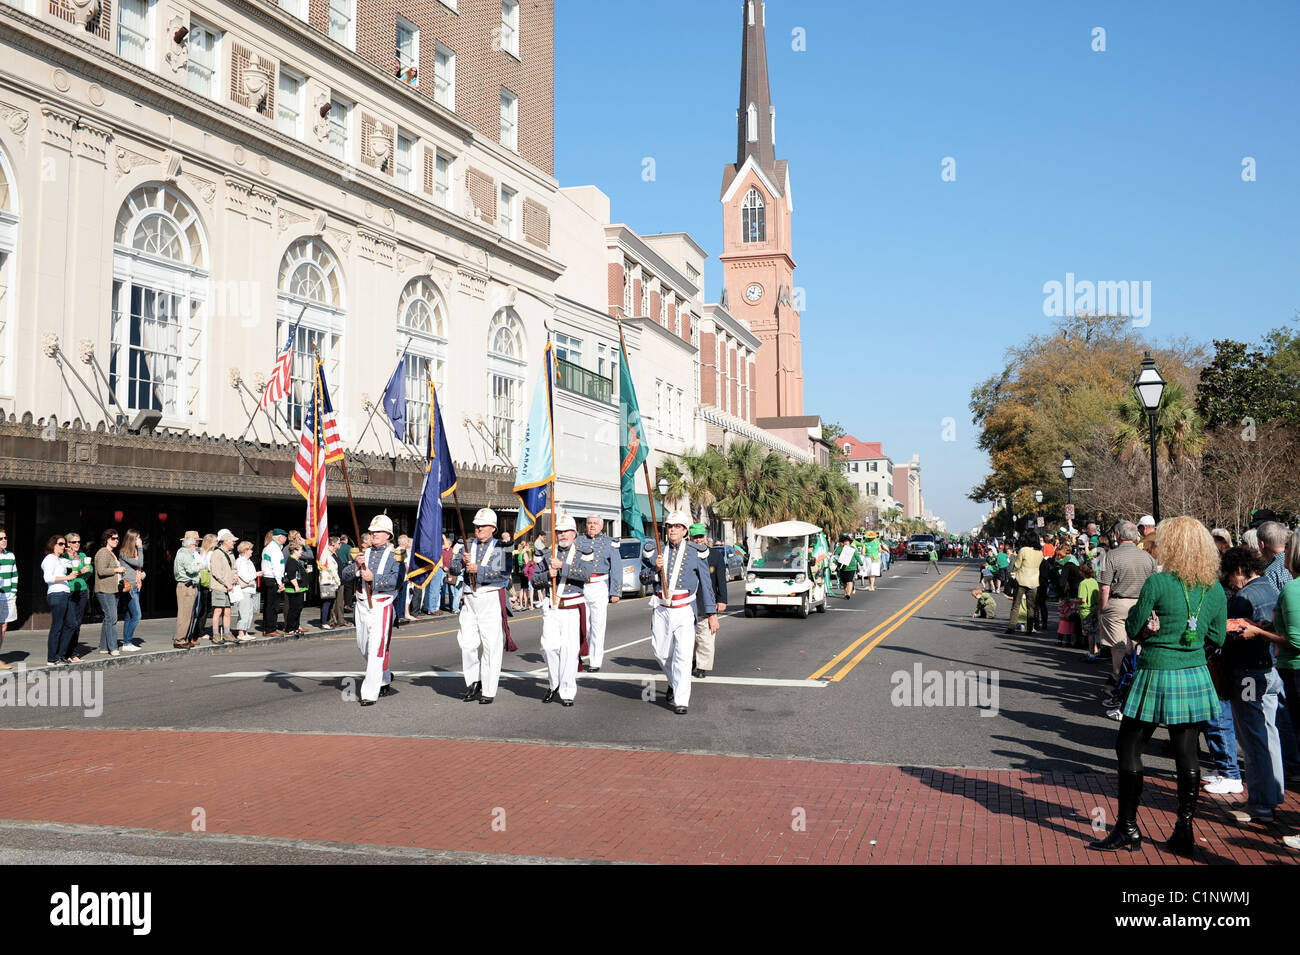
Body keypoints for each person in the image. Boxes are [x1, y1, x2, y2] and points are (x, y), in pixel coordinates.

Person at [1089, 517, 1227, 857]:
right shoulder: (1215, 588)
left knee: (1129, 746)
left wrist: (1151, 629)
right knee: (1187, 752)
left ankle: (1128, 828)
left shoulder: (1158, 582)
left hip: (1157, 671)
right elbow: (1218, 637)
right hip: (1194, 673)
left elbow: (1134, 627)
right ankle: (1184, 830)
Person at [1216, 546, 1282, 820]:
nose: (1229, 581)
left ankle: (1262, 802)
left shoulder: (1243, 598)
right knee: (1269, 734)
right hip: (1270, 669)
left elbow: (1228, 637)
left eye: (1230, 575)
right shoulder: (1271, 589)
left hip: (1248, 673)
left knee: (1253, 739)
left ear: (1240, 570)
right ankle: (1270, 794)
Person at [641, 511, 718, 715]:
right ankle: (675, 682)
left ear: (685, 530)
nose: (672, 529)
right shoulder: (655, 550)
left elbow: (706, 585)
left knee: (683, 656)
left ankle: (681, 700)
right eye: (669, 526)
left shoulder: (696, 551)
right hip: (662, 608)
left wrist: (711, 613)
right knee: (660, 652)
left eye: (677, 526)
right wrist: (655, 570)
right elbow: (643, 578)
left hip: (684, 609)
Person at [1097, 521, 1157, 718]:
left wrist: (1103, 607)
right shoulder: (1147, 558)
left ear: (1117, 535)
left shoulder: (1111, 556)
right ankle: (1135, 690)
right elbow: (1154, 584)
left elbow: (1105, 586)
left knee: (1119, 648)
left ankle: (1119, 690)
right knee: (1136, 648)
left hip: (1118, 603)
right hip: (1141, 604)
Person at [451, 508, 510, 704]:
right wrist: (459, 561)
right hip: (469, 598)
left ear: (492, 528)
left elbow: (503, 574)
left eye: (482, 526)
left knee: (491, 645)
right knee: (466, 643)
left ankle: (489, 688)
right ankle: (473, 681)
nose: (478, 529)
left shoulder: (501, 546)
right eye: (476, 525)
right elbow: (452, 568)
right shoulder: (466, 545)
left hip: (490, 597)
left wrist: (479, 569)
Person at [341, 515, 401, 705]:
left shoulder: (398, 554)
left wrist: (372, 578)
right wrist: (356, 566)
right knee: (364, 646)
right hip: (362, 604)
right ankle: (384, 674)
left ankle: (369, 693)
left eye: (378, 531)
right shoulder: (362, 553)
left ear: (388, 535)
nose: (373, 534)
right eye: (372, 531)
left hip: (381, 604)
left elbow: (397, 580)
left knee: (376, 649)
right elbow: (344, 575)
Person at [538, 512, 593, 706]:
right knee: (548, 647)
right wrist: (547, 574)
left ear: (574, 534)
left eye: (566, 532)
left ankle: (568, 691)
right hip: (552, 607)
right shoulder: (547, 554)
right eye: (559, 532)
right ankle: (554, 684)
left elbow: (586, 574)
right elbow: (534, 579)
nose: (562, 535)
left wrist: (562, 567)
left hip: (571, 606)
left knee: (569, 651)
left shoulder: (583, 553)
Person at [578, 514, 621, 672]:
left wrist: (615, 591)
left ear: (601, 526)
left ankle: (595, 661)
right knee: (582, 625)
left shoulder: (609, 543)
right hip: (581, 585)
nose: (592, 526)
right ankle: (580, 654)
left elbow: (616, 568)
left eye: (595, 523)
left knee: (597, 625)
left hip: (599, 586)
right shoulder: (579, 541)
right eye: (589, 523)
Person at [690, 524, 728, 679]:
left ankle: (702, 667)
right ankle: (691, 661)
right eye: (695, 537)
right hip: (689, 602)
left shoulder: (715, 555)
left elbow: (721, 580)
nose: (699, 540)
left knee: (705, 637)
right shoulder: (686, 555)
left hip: (707, 602)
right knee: (689, 637)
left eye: (701, 536)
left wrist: (722, 600)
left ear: (705, 537)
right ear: (690, 537)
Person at [42, 536, 78, 666]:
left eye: (64, 544)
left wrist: (72, 552)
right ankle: (52, 658)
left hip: (65, 593)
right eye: (61, 544)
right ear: (53, 545)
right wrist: (67, 577)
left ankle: (61, 655)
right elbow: (48, 578)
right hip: (56, 594)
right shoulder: (49, 559)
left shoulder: (61, 560)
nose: (64, 546)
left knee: (72, 624)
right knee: (57, 626)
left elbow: (76, 564)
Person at [92, 528, 126, 656]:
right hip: (105, 590)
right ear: (106, 539)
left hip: (113, 589)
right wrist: (117, 570)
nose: (116, 541)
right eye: (113, 538)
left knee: (108, 618)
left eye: (117, 538)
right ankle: (113, 648)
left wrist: (120, 571)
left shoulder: (111, 553)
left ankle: (104, 647)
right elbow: (101, 571)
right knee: (112, 618)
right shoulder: (103, 552)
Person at [1005, 531, 1043, 634]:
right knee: (1031, 607)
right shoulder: (1040, 552)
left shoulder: (1024, 550)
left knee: (1016, 605)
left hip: (1022, 580)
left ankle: (1011, 627)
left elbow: (1017, 565)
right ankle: (1030, 628)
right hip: (1034, 580)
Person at [63, 531, 92, 658]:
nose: (77, 544)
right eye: (74, 542)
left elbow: (88, 572)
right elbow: (67, 573)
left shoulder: (82, 555)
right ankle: (65, 652)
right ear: (68, 543)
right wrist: (80, 571)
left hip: (82, 589)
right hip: (69, 589)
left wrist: (84, 571)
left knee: (78, 623)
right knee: (69, 623)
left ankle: (73, 652)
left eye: (79, 541)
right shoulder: (64, 557)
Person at [117, 529, 145, 651]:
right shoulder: (124, 552)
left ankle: (127, 642)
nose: (140, 540)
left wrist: (142, 574)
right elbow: (140, 563)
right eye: (137, 538)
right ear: (132, 539)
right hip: (130, 588)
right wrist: (140, 548)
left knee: (129, 616)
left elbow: (136, 567)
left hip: (135, 586)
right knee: (137, 615)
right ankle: (127, 643)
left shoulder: (133, 552)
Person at [208, 529, 238, 644]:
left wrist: (234, 577)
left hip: (229, 587)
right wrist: (227, 583)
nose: (233, 543)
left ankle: (227, 633)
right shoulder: (217, 553)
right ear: (225, 541)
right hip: (219, 587)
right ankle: (215, 634)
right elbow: (216, 572)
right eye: (232, 541)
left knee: (228, 611)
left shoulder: (230, 554)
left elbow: (234, 568)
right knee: (218, 610)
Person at [173, 531, 202, 649]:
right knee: (185, 615)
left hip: (188, 586)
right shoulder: (185, 553)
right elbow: (190, 569)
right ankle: (179, 639)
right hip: (186, 586)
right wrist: (199, 566)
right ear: (191, 545)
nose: (196, 547)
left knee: (188, 614)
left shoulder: (183, 552)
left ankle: (184, 638)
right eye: (195, 545)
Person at [261, 528, 287, 636]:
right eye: (284, 536)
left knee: (268, 604)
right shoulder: (275, 549)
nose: (286, 538)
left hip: (268, 578)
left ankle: (267, 627)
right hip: (273, 579)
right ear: (279, 537)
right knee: (273, 605)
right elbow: (276, 567)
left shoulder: (269, 547)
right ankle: (270, 629)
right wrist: (279, 582)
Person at [232, 540, 259, 642]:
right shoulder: (241, 562)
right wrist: (256, 574)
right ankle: (240, 633)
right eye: (250, 549)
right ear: (245, 550)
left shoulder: (248, 561)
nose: (252, 551)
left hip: (250, 589)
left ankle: (245, 632)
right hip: (244, 590)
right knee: (244, 611)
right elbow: (246, 577)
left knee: (249, 612)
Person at [283, 542, 308, 635]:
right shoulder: (291, 561)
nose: (301, 552)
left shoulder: (296, 560)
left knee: (298, 608)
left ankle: (296, 626)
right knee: (294, 608)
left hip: (300, 589)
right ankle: (290, 628)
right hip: (294, 589)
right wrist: (296, 586)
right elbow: (291, 575)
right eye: (300, 550)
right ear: (295, 550)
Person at [319, 537, 342, 630]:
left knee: (329, 603)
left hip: (329, 582)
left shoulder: (329, 554)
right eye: (332, 545)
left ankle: (326, 621)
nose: (334, 547)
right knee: (327, 603)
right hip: (328, 582)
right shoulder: (327, 555)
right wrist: (338, 581)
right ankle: (324, 622)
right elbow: (332, 570)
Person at [0, 529, 15, 667]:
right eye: (1, 539)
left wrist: (14, 592)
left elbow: (14, 575)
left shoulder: (10, 555)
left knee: (4, 626)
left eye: (5, 538)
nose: (4, 540)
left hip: (7, 596)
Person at [835, 534, 861, 599]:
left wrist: (861, 563)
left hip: (852, 567)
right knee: (844, 582)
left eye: (847, 541)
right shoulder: (840, 549)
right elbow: (835, 556)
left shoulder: (852, 549)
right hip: (843, 568)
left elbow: (857, 556)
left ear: (849, 542)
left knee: (850, 580)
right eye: (845, 541)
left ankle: (848, 594)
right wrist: (837, 559)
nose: (846, 542)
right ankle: (846, 592)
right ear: (843, 542)